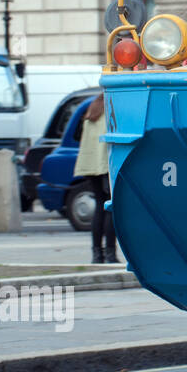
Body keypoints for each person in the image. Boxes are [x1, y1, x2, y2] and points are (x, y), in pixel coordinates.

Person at [73, 93, 117, 264]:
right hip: (105, 165)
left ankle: (97, 254)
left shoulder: (93, 109)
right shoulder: (111, 109)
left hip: (91, 164)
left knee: (100, 206)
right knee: (110, 207)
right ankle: (110, 254)